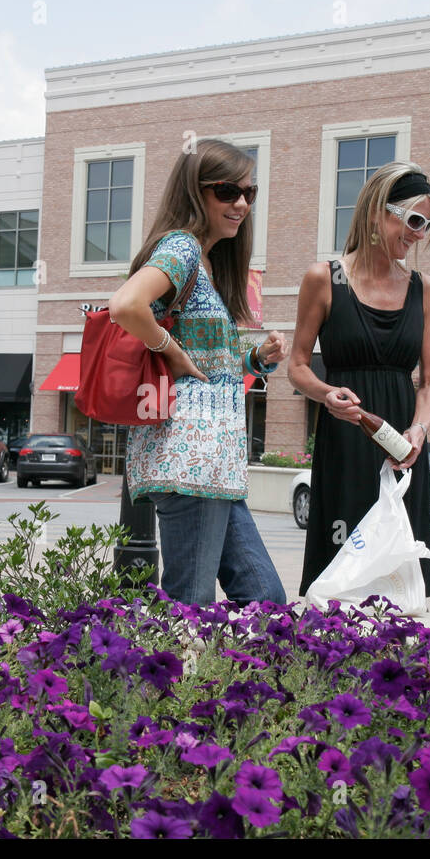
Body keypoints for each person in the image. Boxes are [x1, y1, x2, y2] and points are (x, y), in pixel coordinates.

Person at [107, 139, 288, 608]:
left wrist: (254, 361)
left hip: (216, 465)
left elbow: (208, 370)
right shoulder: (182, 247)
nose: (242, 203)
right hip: (191, 459)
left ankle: (229, 681)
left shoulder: (206, 262)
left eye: (250, 192)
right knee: (190, 605)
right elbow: (126, 305)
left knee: (264, 599)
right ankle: (160, 682)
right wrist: (167, 348)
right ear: (195, 191)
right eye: (227, 191)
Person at [289, 161, 430, 600]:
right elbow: (298, 366)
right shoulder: (325, 278)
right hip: (345, 434)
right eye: (414, 220)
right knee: (340, 576)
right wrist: (325, 393)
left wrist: (419, 429)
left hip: (403, 444)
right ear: (379, 212)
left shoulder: (424, 289)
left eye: (427, 225)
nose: (419, 233)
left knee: (399, 583)